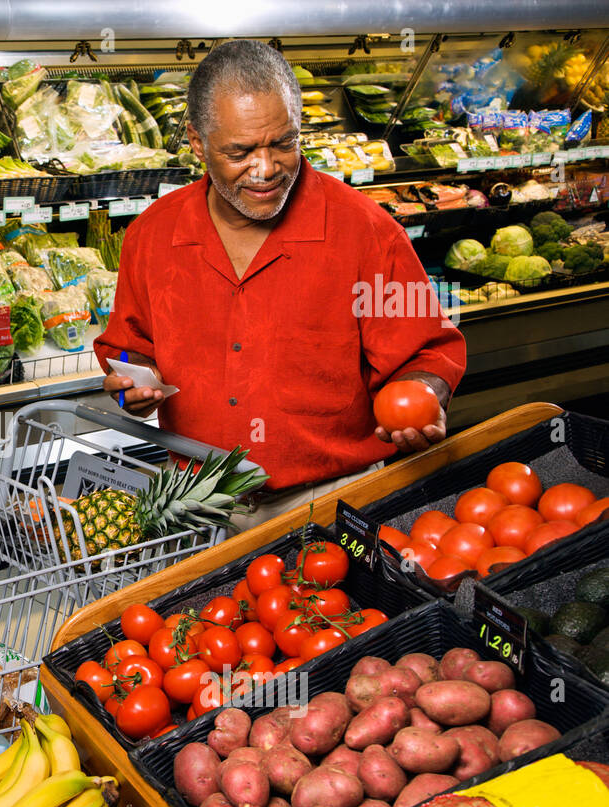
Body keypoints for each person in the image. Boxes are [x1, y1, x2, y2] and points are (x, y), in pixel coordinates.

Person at [94, 39, 467, 529]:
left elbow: (427, 352)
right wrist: (130, 387)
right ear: (196, 142)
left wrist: (421, 396)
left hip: (333, 500)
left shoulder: (367, 231)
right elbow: (129, 349)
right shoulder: (153, 234)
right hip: (197, 501)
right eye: (240, 151)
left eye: (284, 143)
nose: (266, 169)